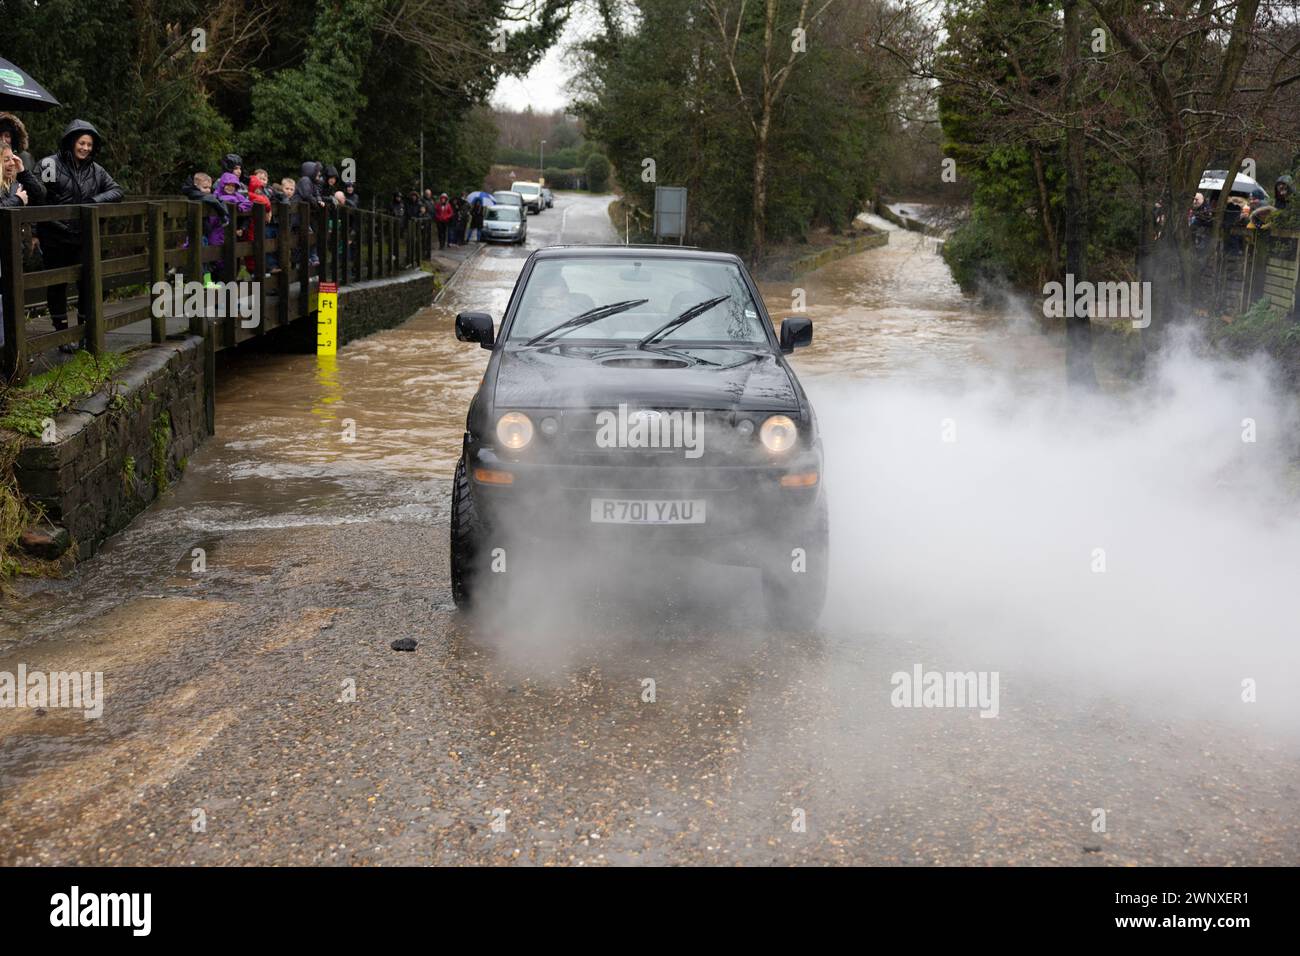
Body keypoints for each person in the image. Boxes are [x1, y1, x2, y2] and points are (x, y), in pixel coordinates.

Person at [35, 118, 123, 349]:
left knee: (88, 283)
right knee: (57, 285)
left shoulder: (96, 170)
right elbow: (39, 197)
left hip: (82, 237)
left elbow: (116, 191)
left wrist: (94, 200)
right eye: (81, 143)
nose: (85, 148)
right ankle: (62, 335)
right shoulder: (49, 165)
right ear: (72, 141)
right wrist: (44, 227)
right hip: (54, 235)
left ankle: (84, 332)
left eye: (89, 144)